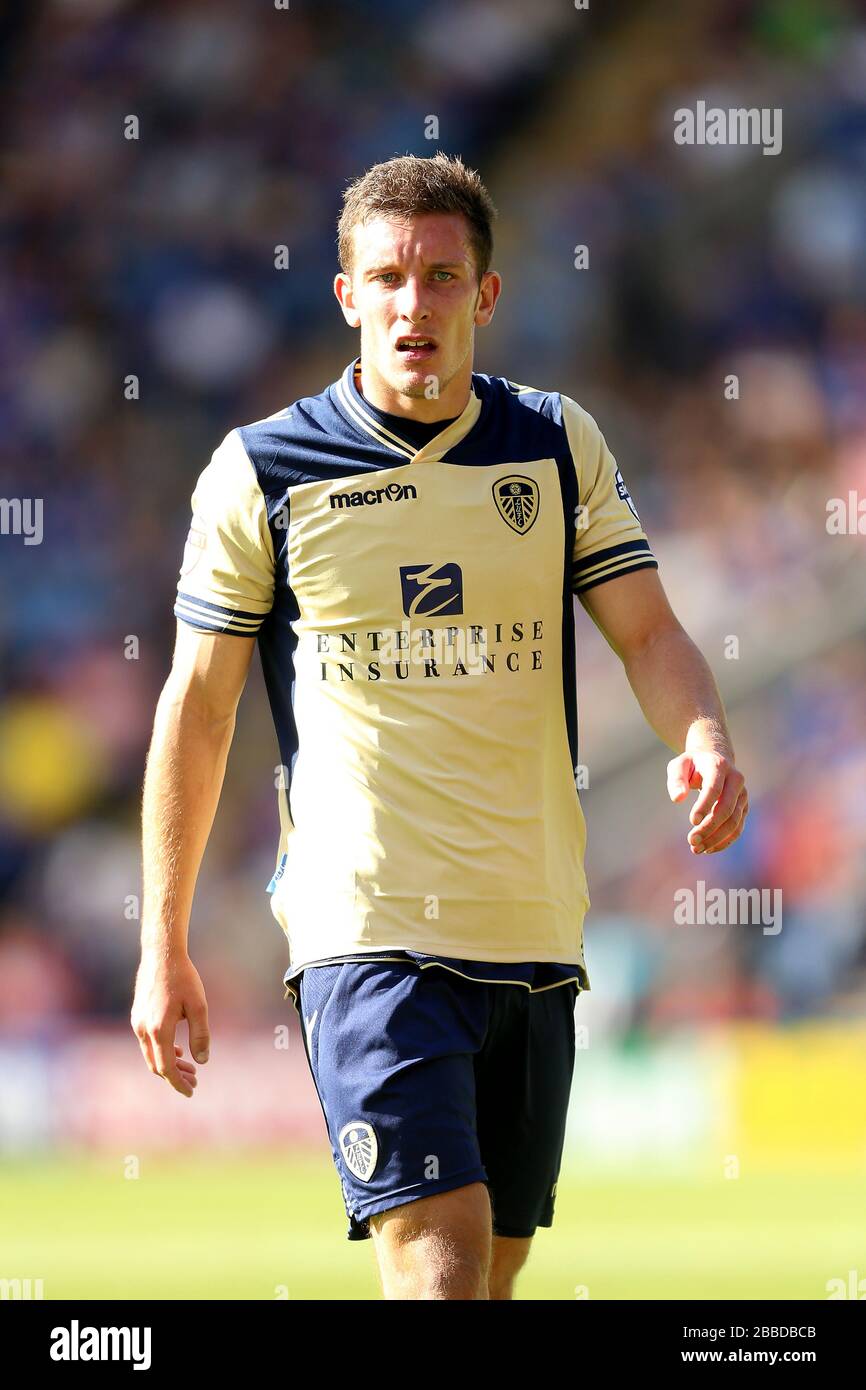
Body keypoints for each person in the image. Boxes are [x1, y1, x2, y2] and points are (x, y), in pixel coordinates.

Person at [131, 152, 748, 1300]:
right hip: (365, 926)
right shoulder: (263, 471)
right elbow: (199, 706)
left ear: (487, 295)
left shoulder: (556, 447)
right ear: (346, 296)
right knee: (441, 1270)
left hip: (532, 923)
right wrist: (160, 938)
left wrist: (701, 737)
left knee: (489, 1276)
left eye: (441, 276)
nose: (414, 303)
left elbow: (650, 635)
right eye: (389, 278)